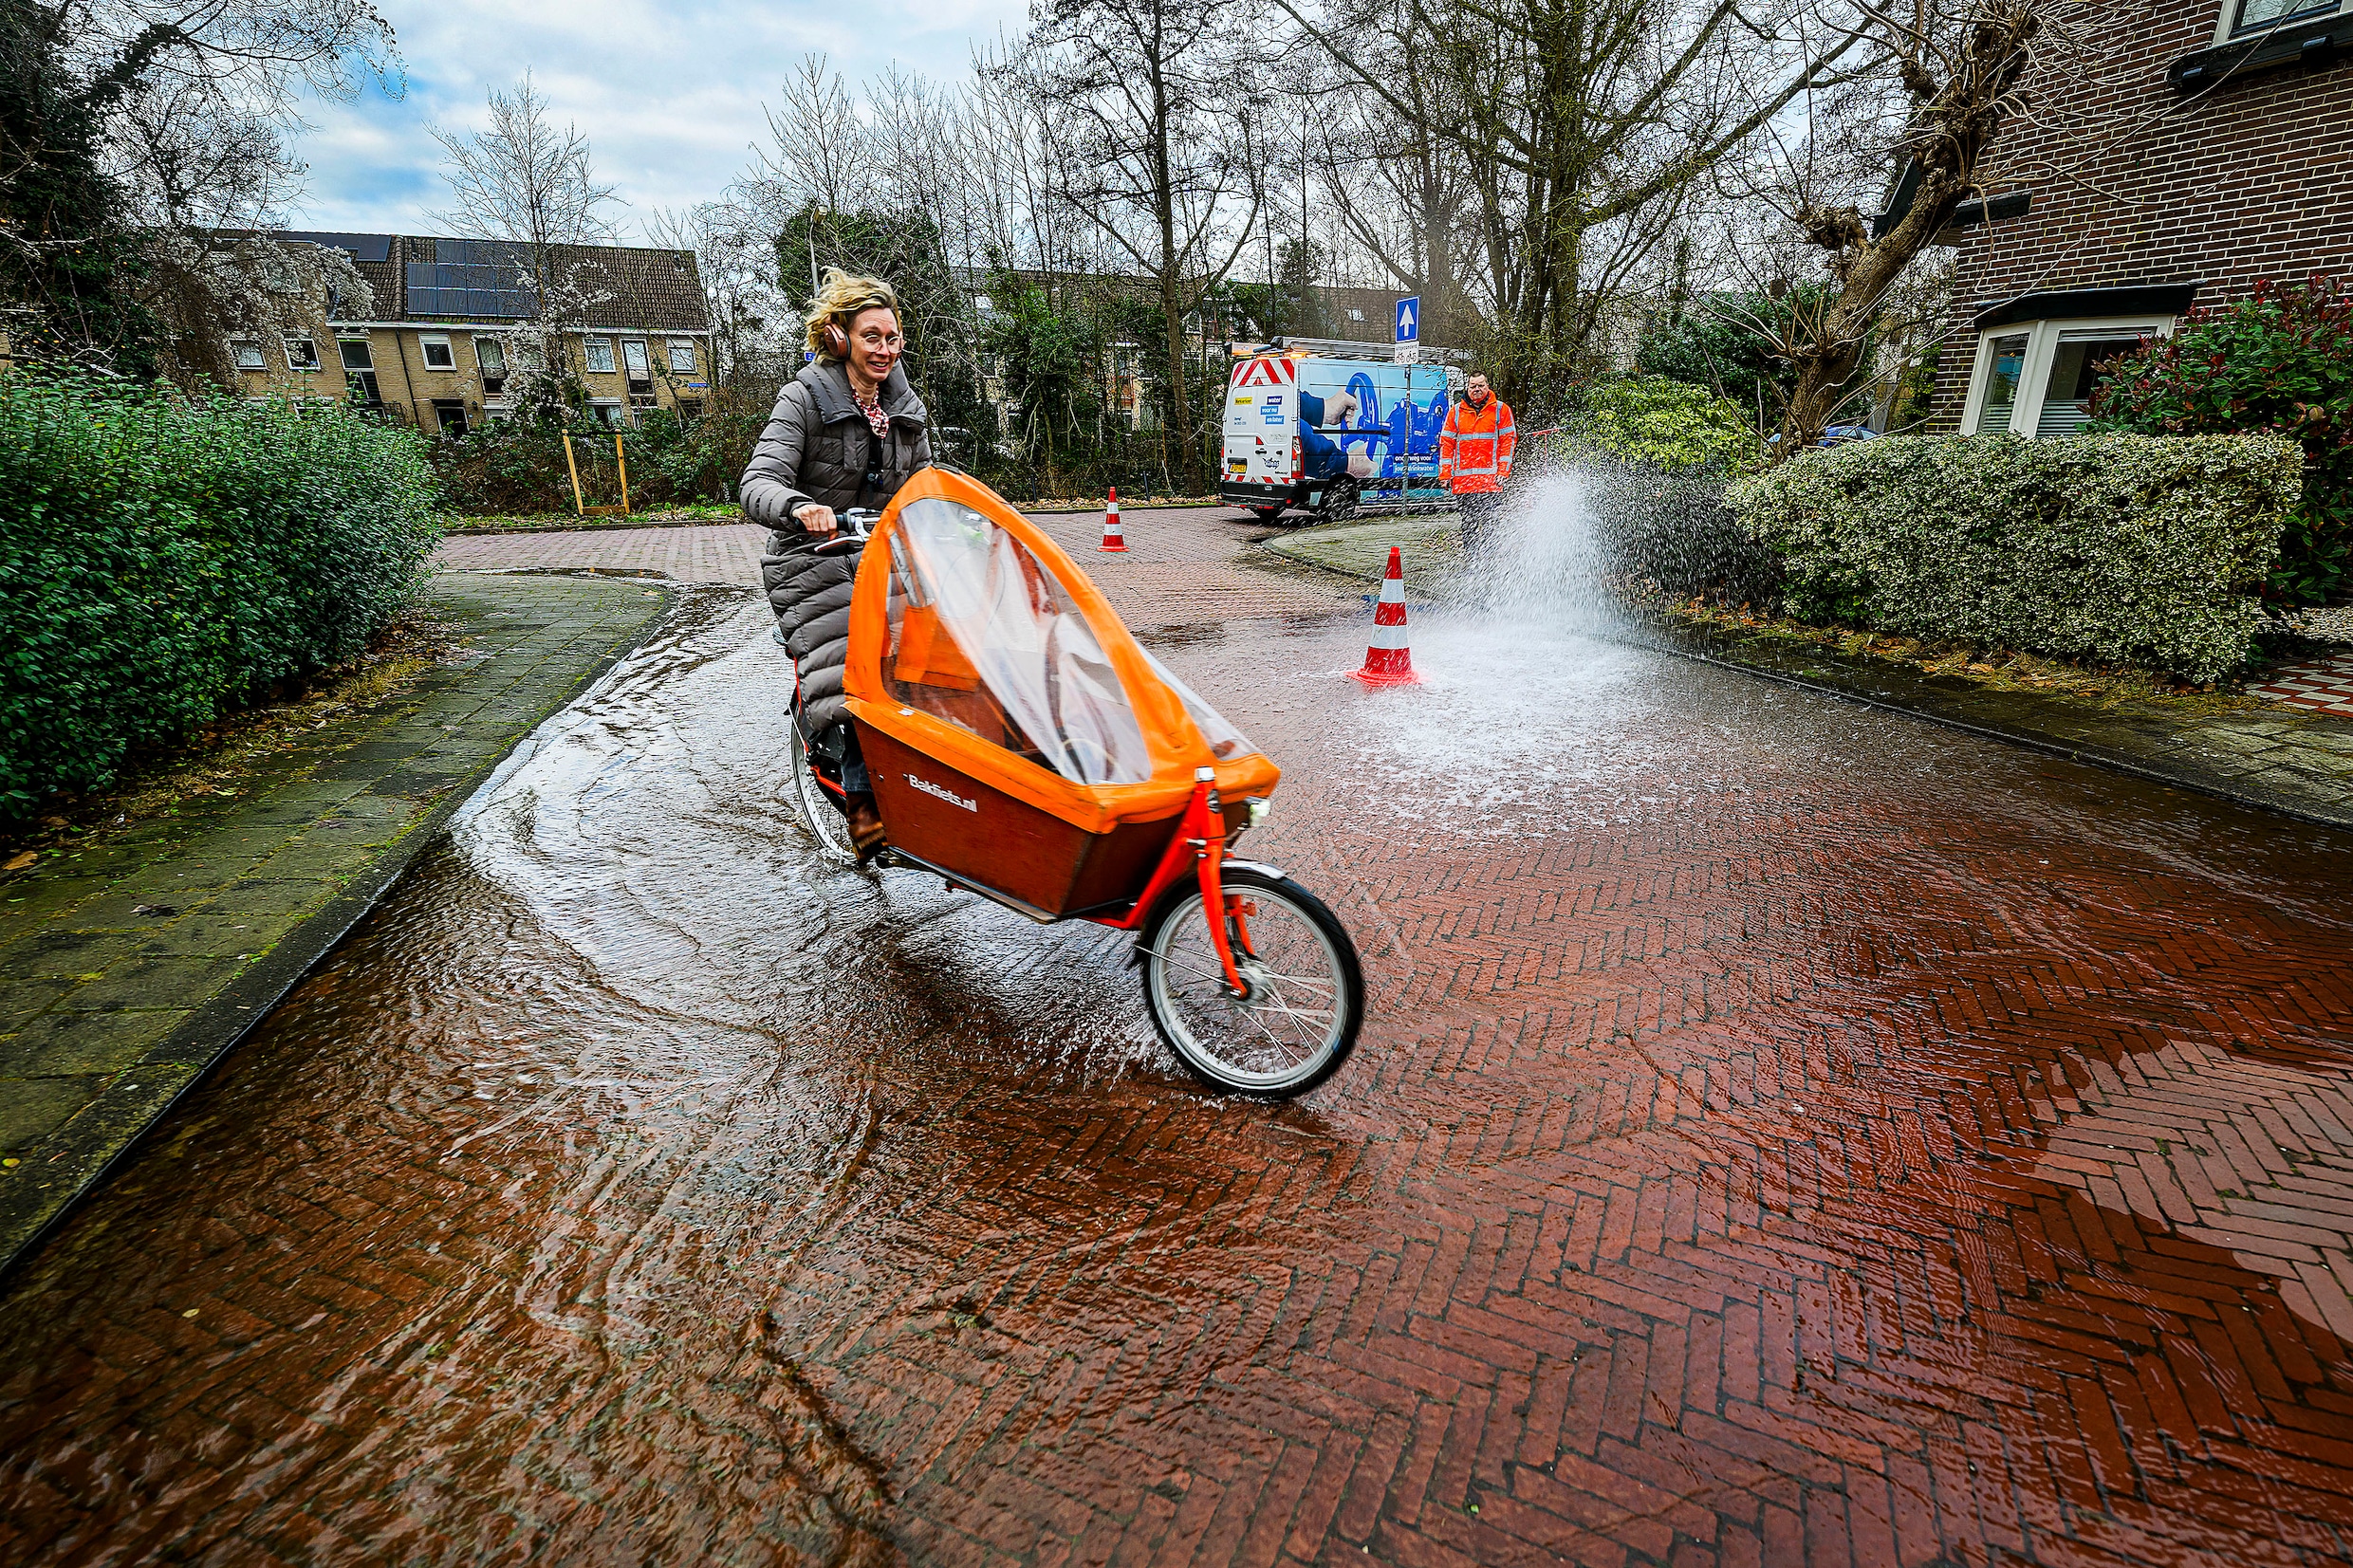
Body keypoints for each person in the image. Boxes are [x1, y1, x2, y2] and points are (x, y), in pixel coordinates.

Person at [741, 268, 933, 859]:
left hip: (880, 553)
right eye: (871, 336)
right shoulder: (805, 396)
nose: (885, 349)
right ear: (839, 335)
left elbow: (926, 485)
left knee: (939, 652)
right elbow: (757, 483)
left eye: (893, 338)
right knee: (854, 665)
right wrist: (801, 508)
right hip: (812, 556)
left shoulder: (905, 408)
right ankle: (861, 801)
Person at [1440, 371, 1515, 556]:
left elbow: (1509, 440)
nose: (1477, 389)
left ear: (1487, 386)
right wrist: (1445, 474)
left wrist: (1503, 472)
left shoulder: (1500, 410)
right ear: (1467, 388)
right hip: (1465, 484)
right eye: (1473, 386)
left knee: (1492, 525)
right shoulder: (1456, 412)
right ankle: (1473, 562)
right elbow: (1446, 443)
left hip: (1491, 483)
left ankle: (1489, 564)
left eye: (1481, 385)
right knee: (1469, 525)